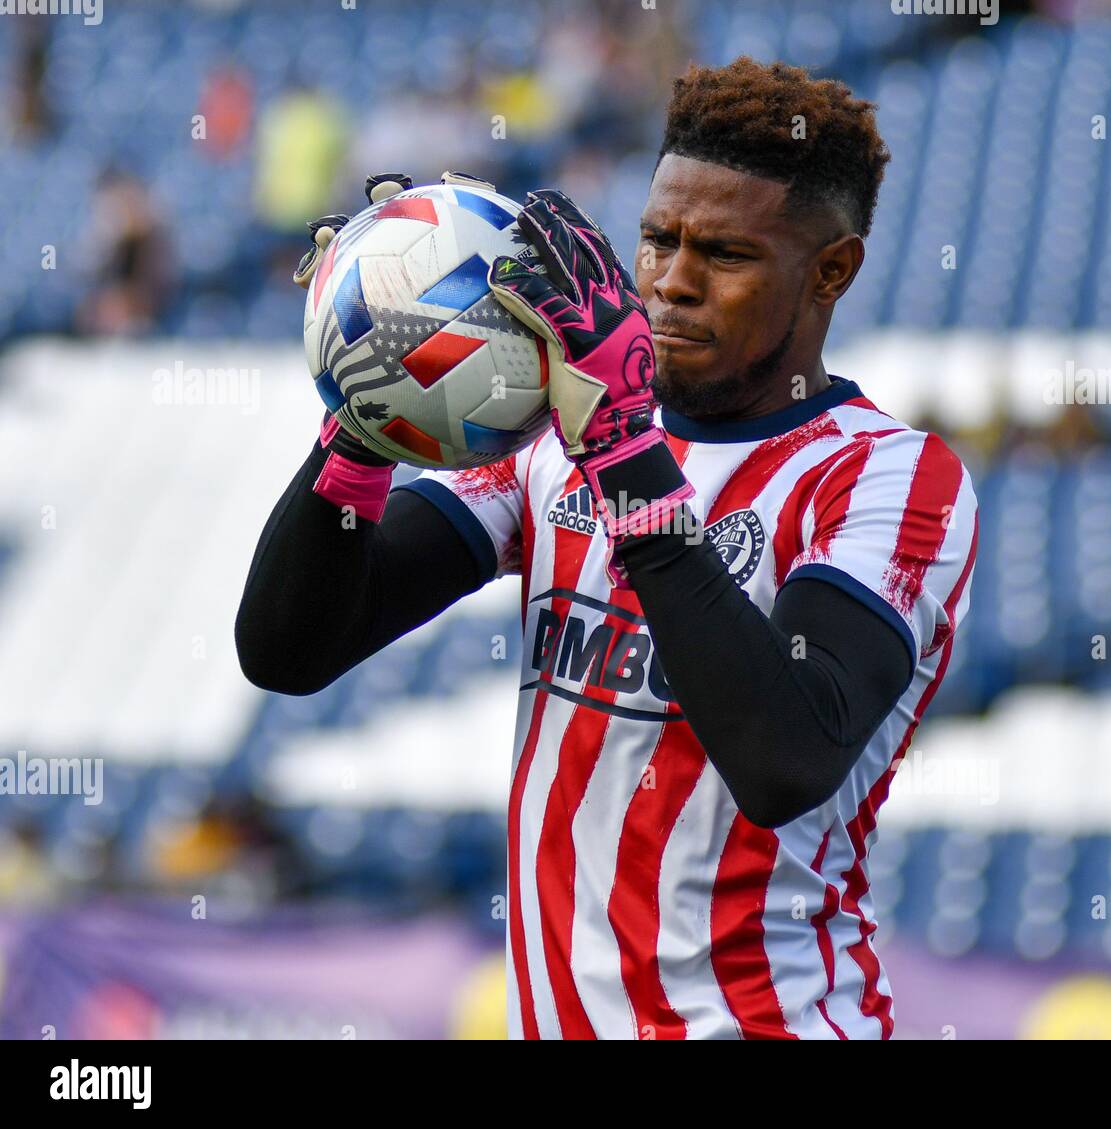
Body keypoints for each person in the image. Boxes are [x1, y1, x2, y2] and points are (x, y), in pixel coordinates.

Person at [236, 57, 978, 1040]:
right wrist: (364, 421)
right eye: (659, 239)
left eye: (723, 253)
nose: (671, 281)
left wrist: (621, 448)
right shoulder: (549, 438)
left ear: (830, 270)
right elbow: (290, 650)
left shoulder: (886, 477)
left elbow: (782, 758)